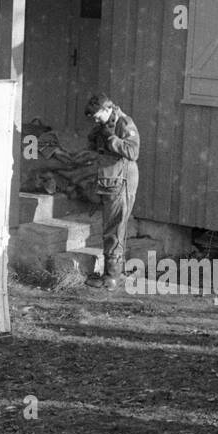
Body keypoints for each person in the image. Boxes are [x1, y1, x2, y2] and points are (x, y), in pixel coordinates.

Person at [82, 91, 140, 289]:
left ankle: (112, 277)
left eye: (98, 115)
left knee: (114, 228)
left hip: (121, 181)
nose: (96, 119)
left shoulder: (124, 123)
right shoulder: (104, 125)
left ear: (107, 108)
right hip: (110, 181)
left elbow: (133, 151)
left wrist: (111, 139)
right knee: (112, 228)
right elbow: (94, 146)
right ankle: (115, 273)